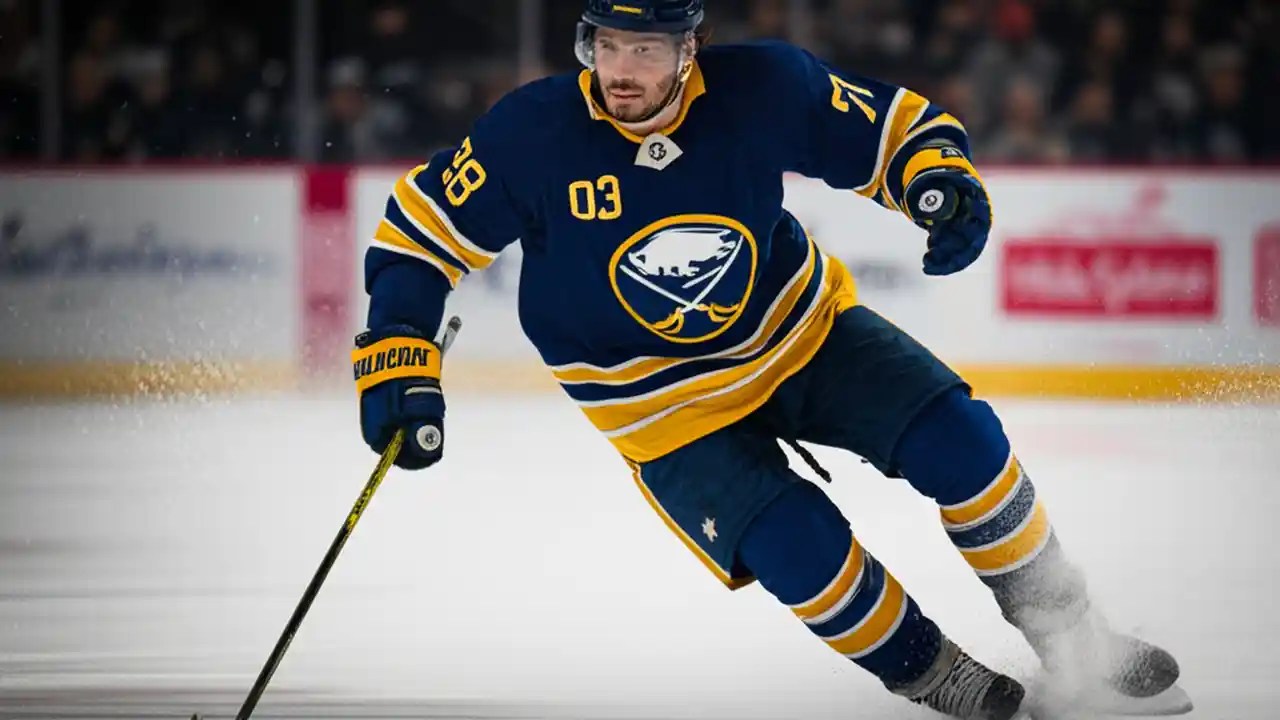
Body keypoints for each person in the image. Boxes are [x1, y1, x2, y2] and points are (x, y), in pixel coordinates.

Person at [350, 2, 1187, 717]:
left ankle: (1075, 641)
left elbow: (895, 128)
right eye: (607, 45)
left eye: (645, 49)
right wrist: (396, 351)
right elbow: (418, 236)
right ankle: (937, 674)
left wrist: (937, 180)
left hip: (797, 333)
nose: (622, 70)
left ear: (690, 48)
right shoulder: (531, 133)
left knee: (964, 444)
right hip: (655, 404)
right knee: (800, 552)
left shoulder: (762, 87)